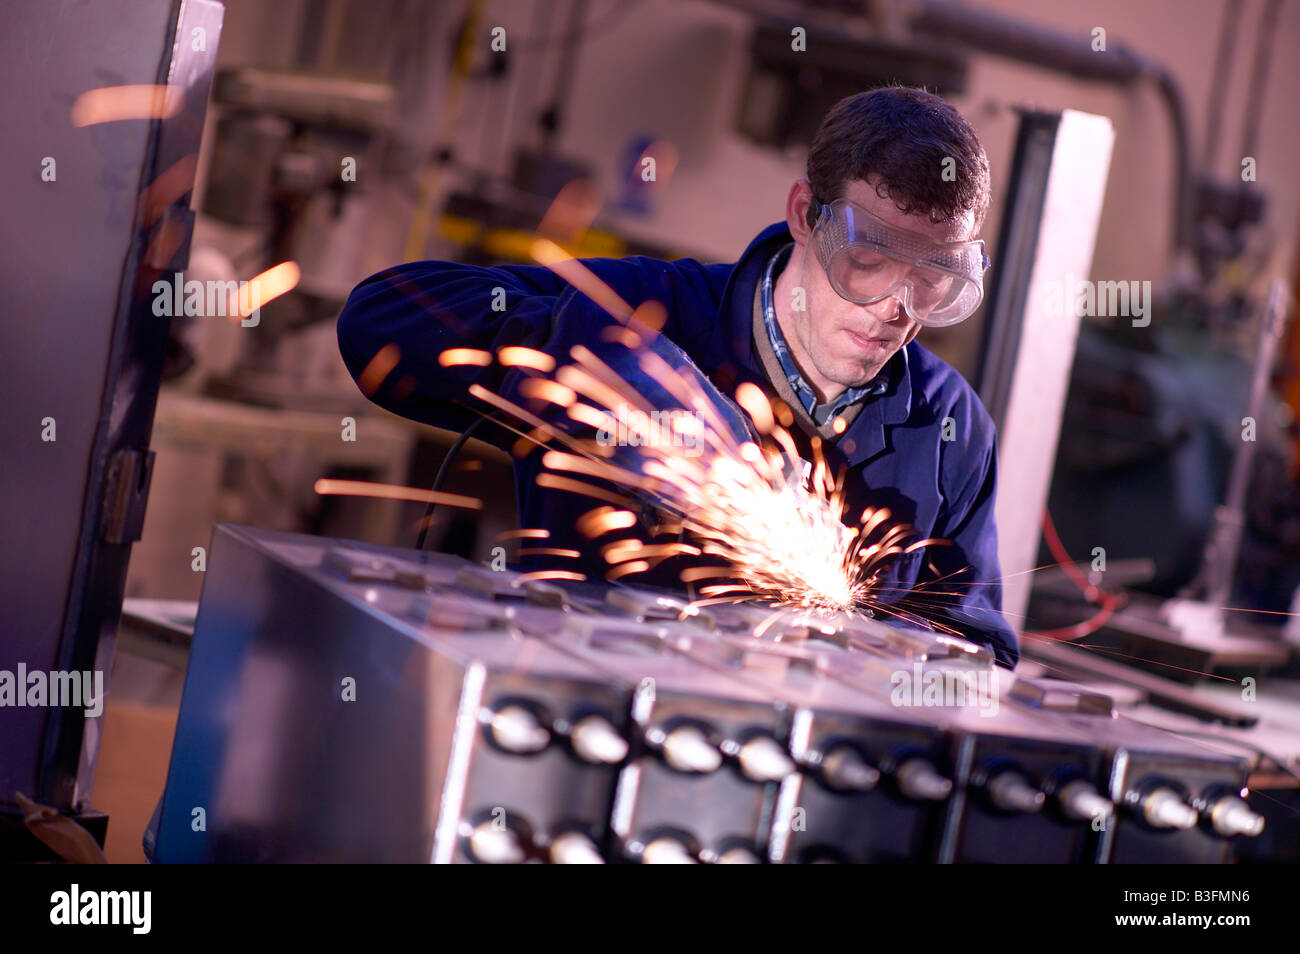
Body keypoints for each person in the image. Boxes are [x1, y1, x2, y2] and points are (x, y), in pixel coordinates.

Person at [337, 85, 1017, 668]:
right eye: (868, 262)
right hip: (564, 714)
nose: (894, 310)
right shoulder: (650, 307)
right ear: (805, 217)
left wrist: (871, 650)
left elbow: (979, 656)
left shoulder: (951, 428)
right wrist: (643, 381)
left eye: (931, 280)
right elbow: (379, 317)